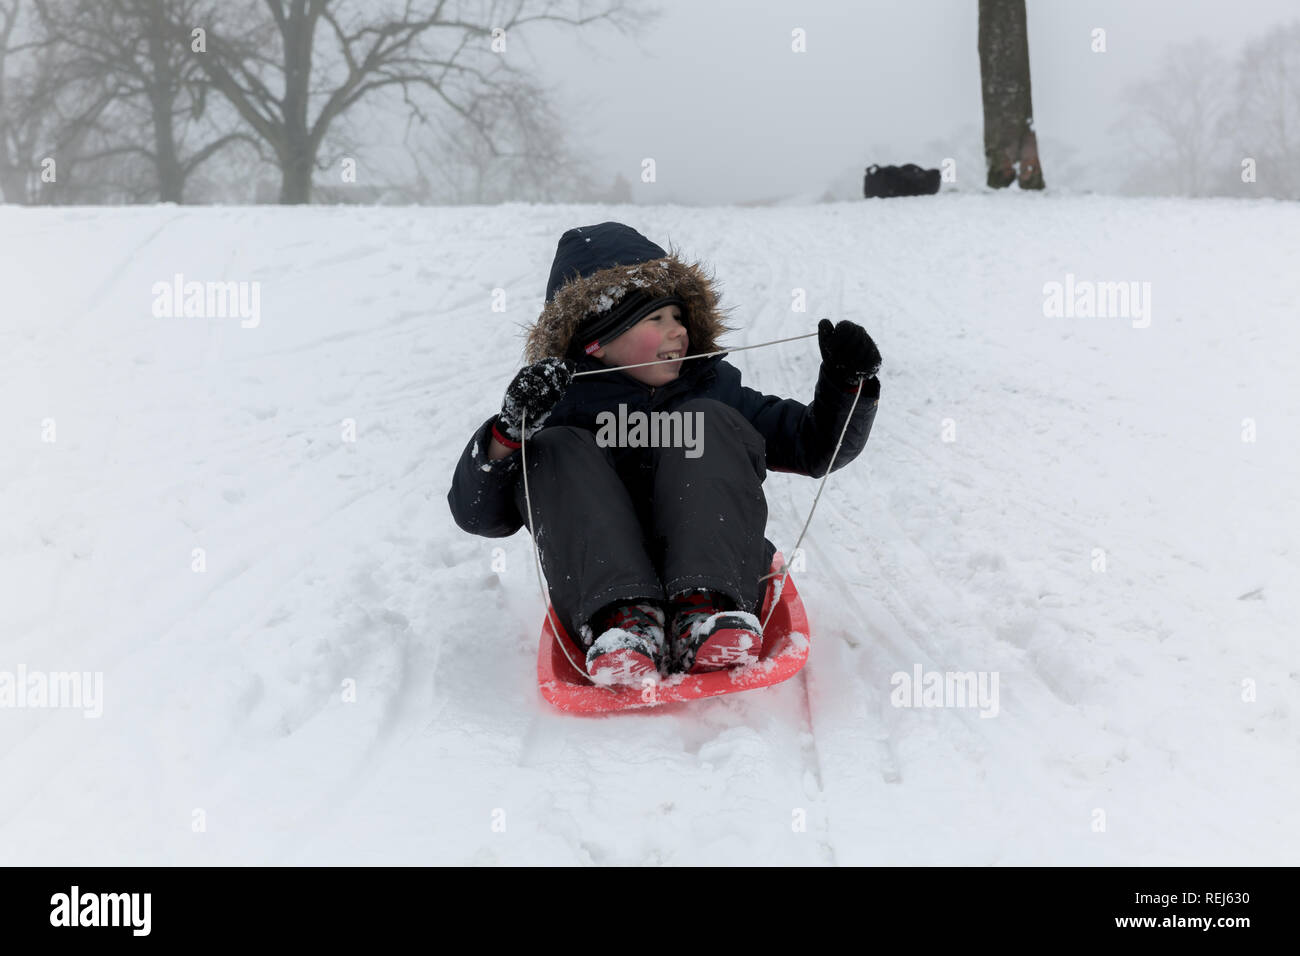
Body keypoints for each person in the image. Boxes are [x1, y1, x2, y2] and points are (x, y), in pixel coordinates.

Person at [448, 222, 881, 686]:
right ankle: (623, 622)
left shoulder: (714, 389)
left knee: (705, 421)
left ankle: (706, 610)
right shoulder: (558, 410)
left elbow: (816, 448)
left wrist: (847, 385)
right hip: (600, 596)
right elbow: (478, 516)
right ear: (597, 339)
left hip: (726, 585)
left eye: (679, 317)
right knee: (555, 449)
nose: (677, 332)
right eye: (656, 320)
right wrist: (508, 435)